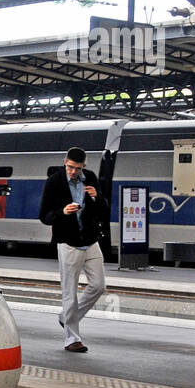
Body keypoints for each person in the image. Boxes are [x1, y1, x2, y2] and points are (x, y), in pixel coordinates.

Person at [38, 147, 109, 352]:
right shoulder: (54, 182)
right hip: (68, 243)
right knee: (69, 293)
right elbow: (44, 216)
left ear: (84, 166)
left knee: (98, 285)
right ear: (65, 162)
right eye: (70, 167)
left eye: (77, 168)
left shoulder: (91, 178)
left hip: (91, 240)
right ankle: (72, 339)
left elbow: (104, 210)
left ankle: (67, 317)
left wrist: (97, 198)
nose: (72, 172)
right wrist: (62, 212)